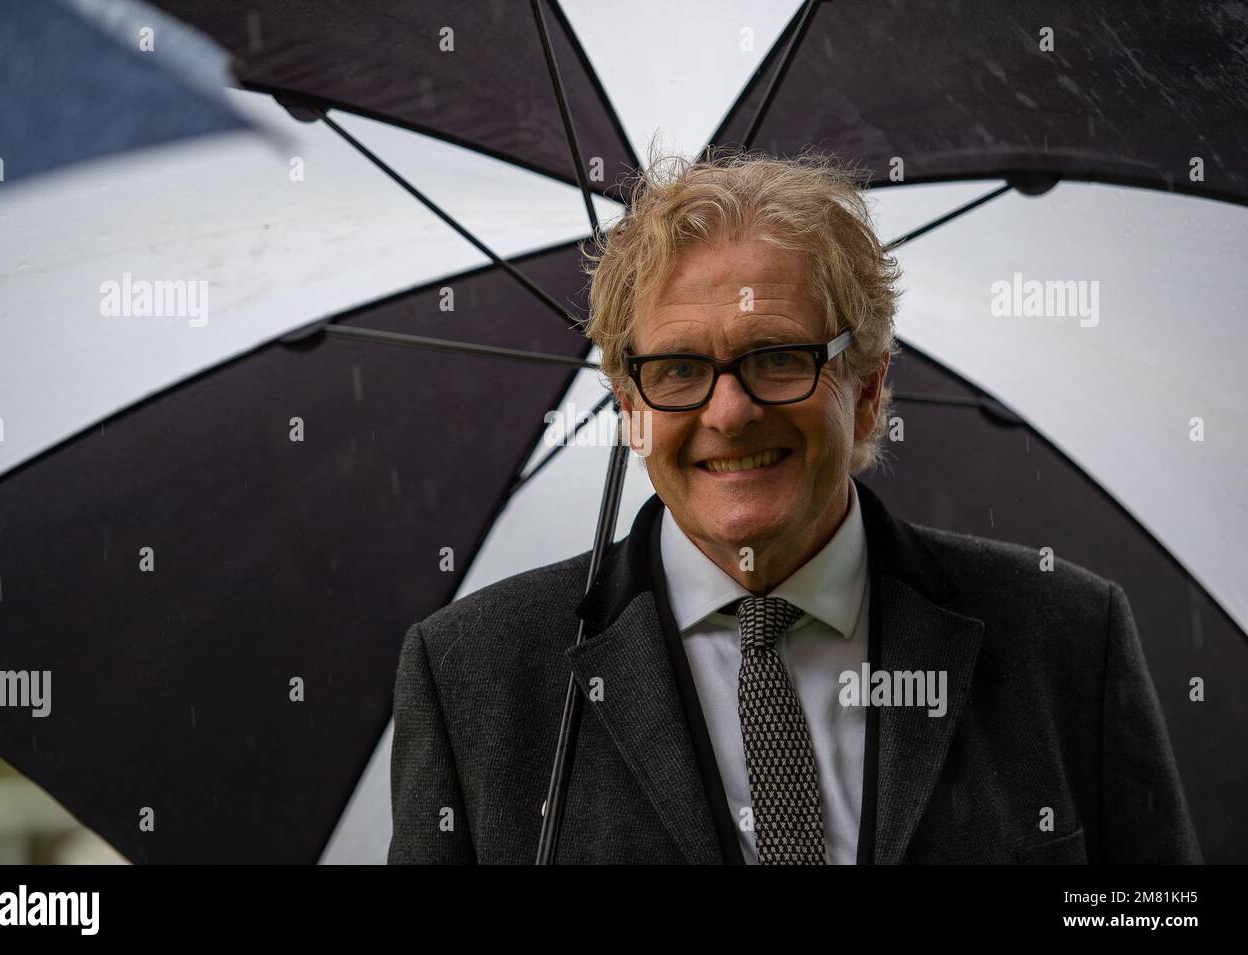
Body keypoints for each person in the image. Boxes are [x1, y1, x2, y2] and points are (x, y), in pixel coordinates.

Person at [387, 148, 1201, 864]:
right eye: (676, 371)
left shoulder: (1067, 637)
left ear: (870, 388)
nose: (730, 411)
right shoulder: (474, 678)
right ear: (629, 404)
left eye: (777, 358)